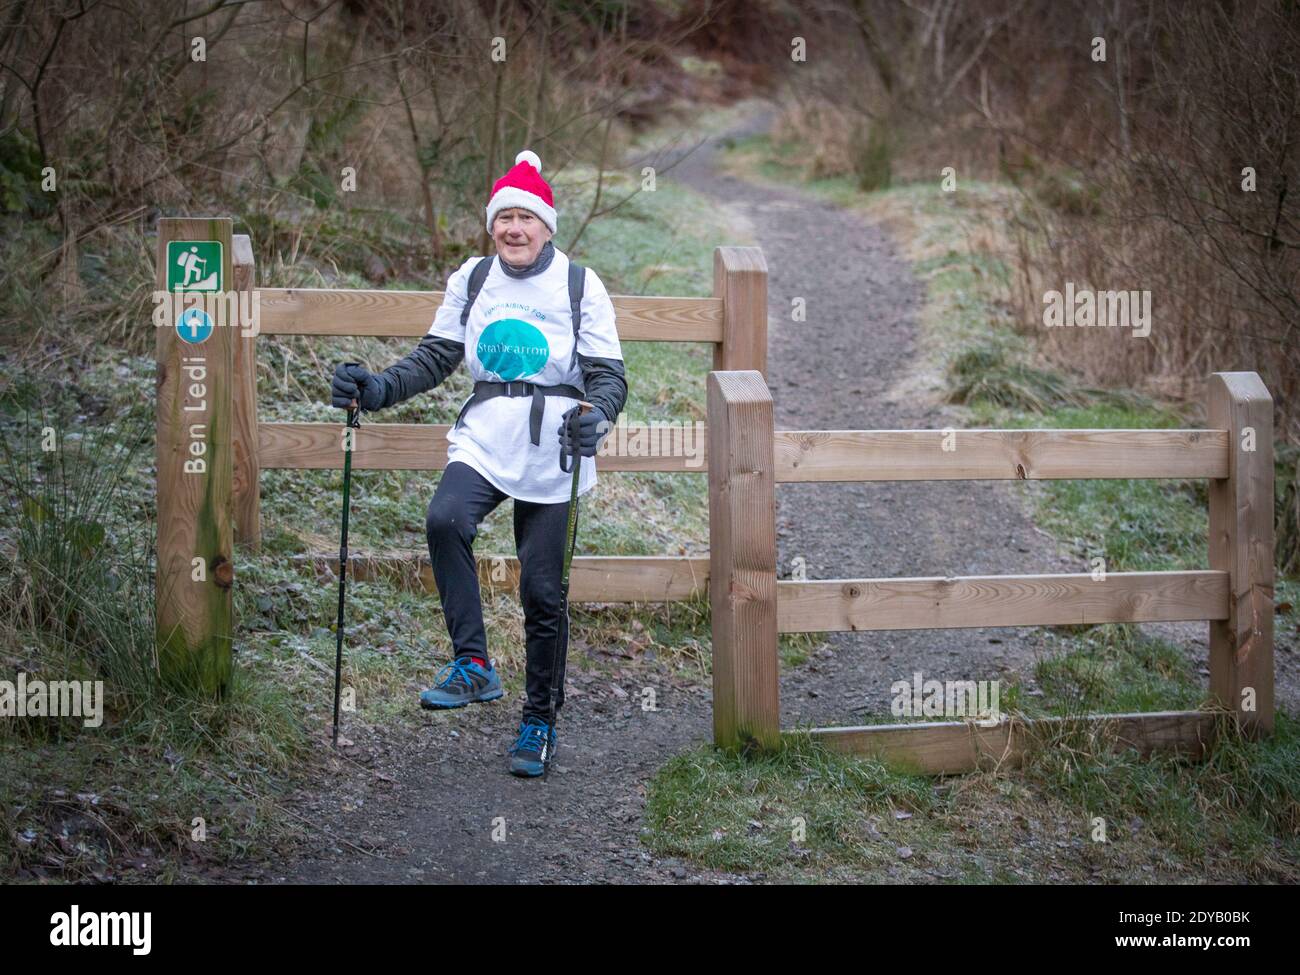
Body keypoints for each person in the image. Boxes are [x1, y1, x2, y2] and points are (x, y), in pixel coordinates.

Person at [330, 150, 628, 777]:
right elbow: (434, 357)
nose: (513, 229)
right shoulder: (471, 278)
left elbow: (608, 375)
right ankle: (475, 666)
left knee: (543, 591)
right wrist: (375, 390)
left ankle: (539, 720)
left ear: (547, 227)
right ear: (491, 226)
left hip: (555, 445)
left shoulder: (580, 285)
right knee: (445, 520)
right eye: (503, 218)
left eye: (526, 218)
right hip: (487, 435)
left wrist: (595, 415)